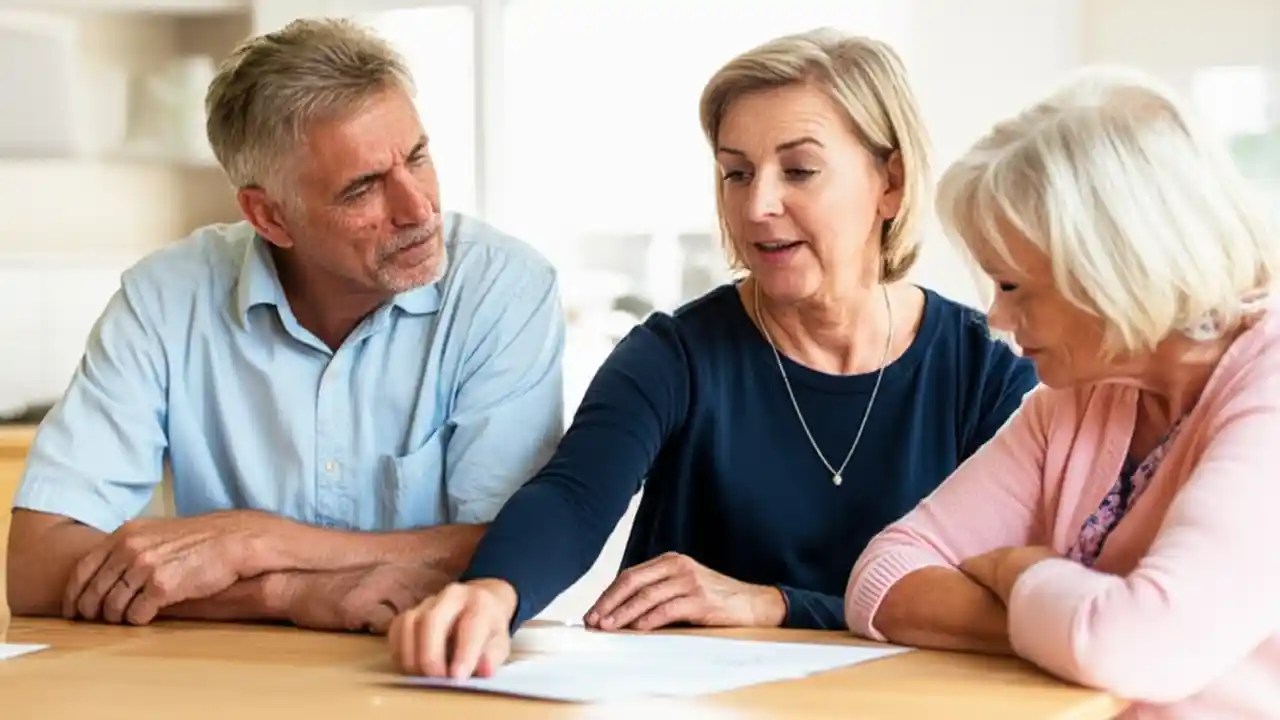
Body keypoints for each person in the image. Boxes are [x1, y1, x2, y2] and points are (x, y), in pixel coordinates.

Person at [387, 27, 1038, 679]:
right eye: (736, 172)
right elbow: (573, 498)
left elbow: (999, 604)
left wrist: (779, 606)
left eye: (800, 170)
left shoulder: (986, 373)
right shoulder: (671, 355)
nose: (756, 205)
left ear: (889, 183)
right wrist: (493, 592)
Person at [5, 18, 565, 634]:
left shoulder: (501, 288)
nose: (418, 207)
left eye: (417, 157)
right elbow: (36, 564)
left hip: (434, 675)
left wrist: (256, 544)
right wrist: (280, 594)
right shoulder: (165, 299)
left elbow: (518, 545)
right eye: (363, 189)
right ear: (269, 216)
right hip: (223, 683)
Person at [846, 68, 1280, 719]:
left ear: (1115, 264)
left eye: (1012, 285)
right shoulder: (1080, 397)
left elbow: (1144, 647)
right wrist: (1081, 625)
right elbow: (884, 577)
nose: (993, 316)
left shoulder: (1267, 383)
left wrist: (1020, 572)